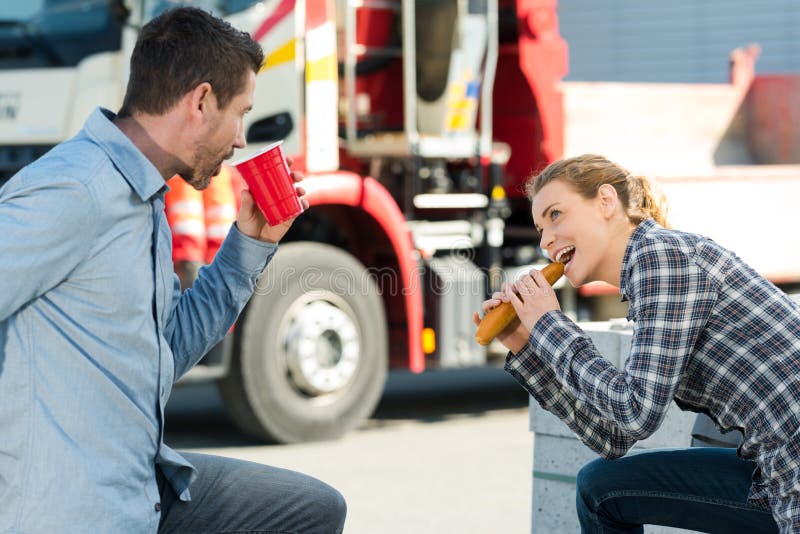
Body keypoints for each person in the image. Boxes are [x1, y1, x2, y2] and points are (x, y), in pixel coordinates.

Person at [0, 7, 346, 533]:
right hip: (74, 509)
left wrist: (249, 245)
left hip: (138, 481)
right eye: (240, 113)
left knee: (310, 510)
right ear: (201, 101)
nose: (240, 140)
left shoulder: (142, 195)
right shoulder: (76, 190)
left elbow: (165, 349)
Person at [474, 153, 799, 533]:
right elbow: (613, 435)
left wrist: (550, 324)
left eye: (556, 215)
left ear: (606, 202)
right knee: (601, 488)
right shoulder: (647, 277)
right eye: (540, 228)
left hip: (791, 464)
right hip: (774, 468)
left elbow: (635, 412)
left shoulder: (662, 256)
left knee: (602, 490)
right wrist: (525, 344)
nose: (546, 240)